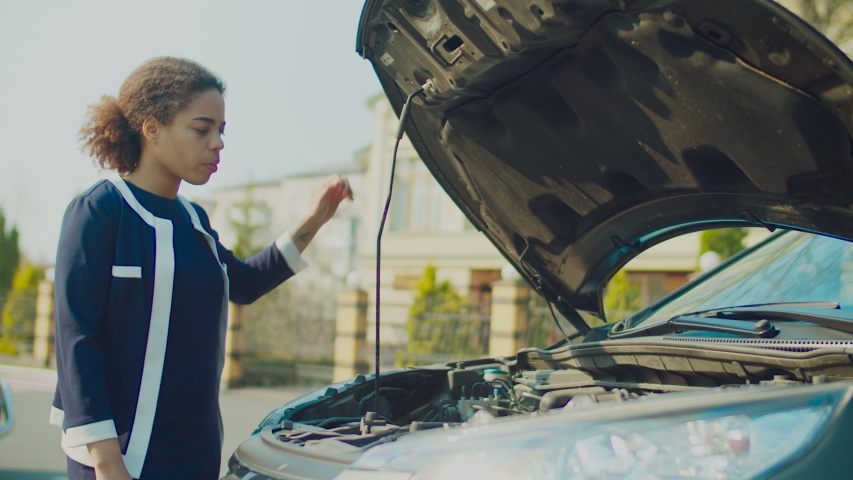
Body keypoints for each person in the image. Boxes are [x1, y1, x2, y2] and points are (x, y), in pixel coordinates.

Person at [49, 57, 353, 480]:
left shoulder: (194, 220)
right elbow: (76, 339)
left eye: (221, 131)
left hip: (194, 455)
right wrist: (106, 462)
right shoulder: (100, 212)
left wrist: (316, 219)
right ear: (151, 129)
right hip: (119, 460)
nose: (218, 144)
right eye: (202, 128)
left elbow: (244, 283)